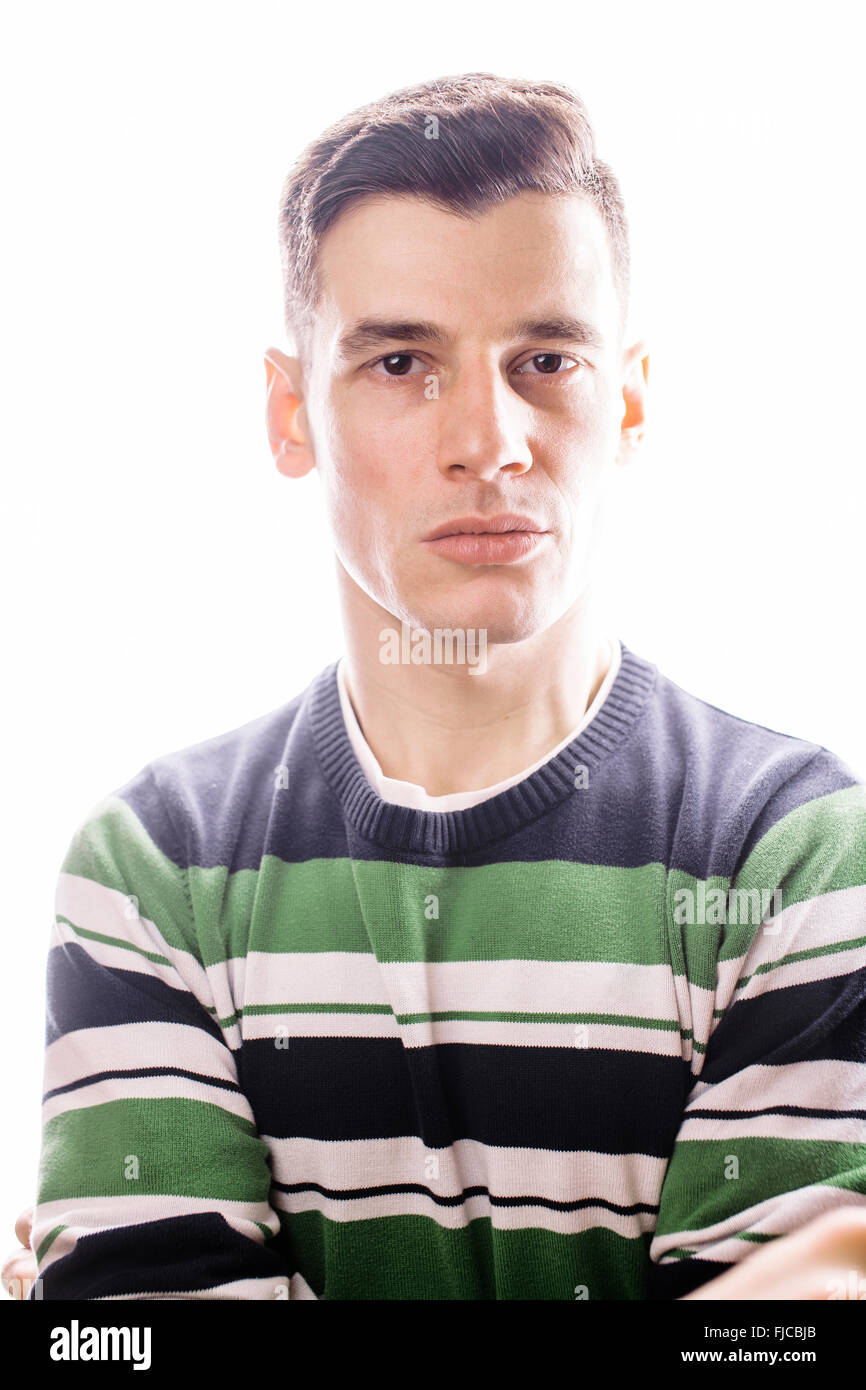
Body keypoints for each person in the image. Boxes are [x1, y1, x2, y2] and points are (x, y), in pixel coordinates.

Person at [6, 72, 866, 1301]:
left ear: (624, 398)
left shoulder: (797, 857)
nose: (489, 439)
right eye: (402, 360)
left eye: (545, 358)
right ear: (289, 410)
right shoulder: (152, 873)